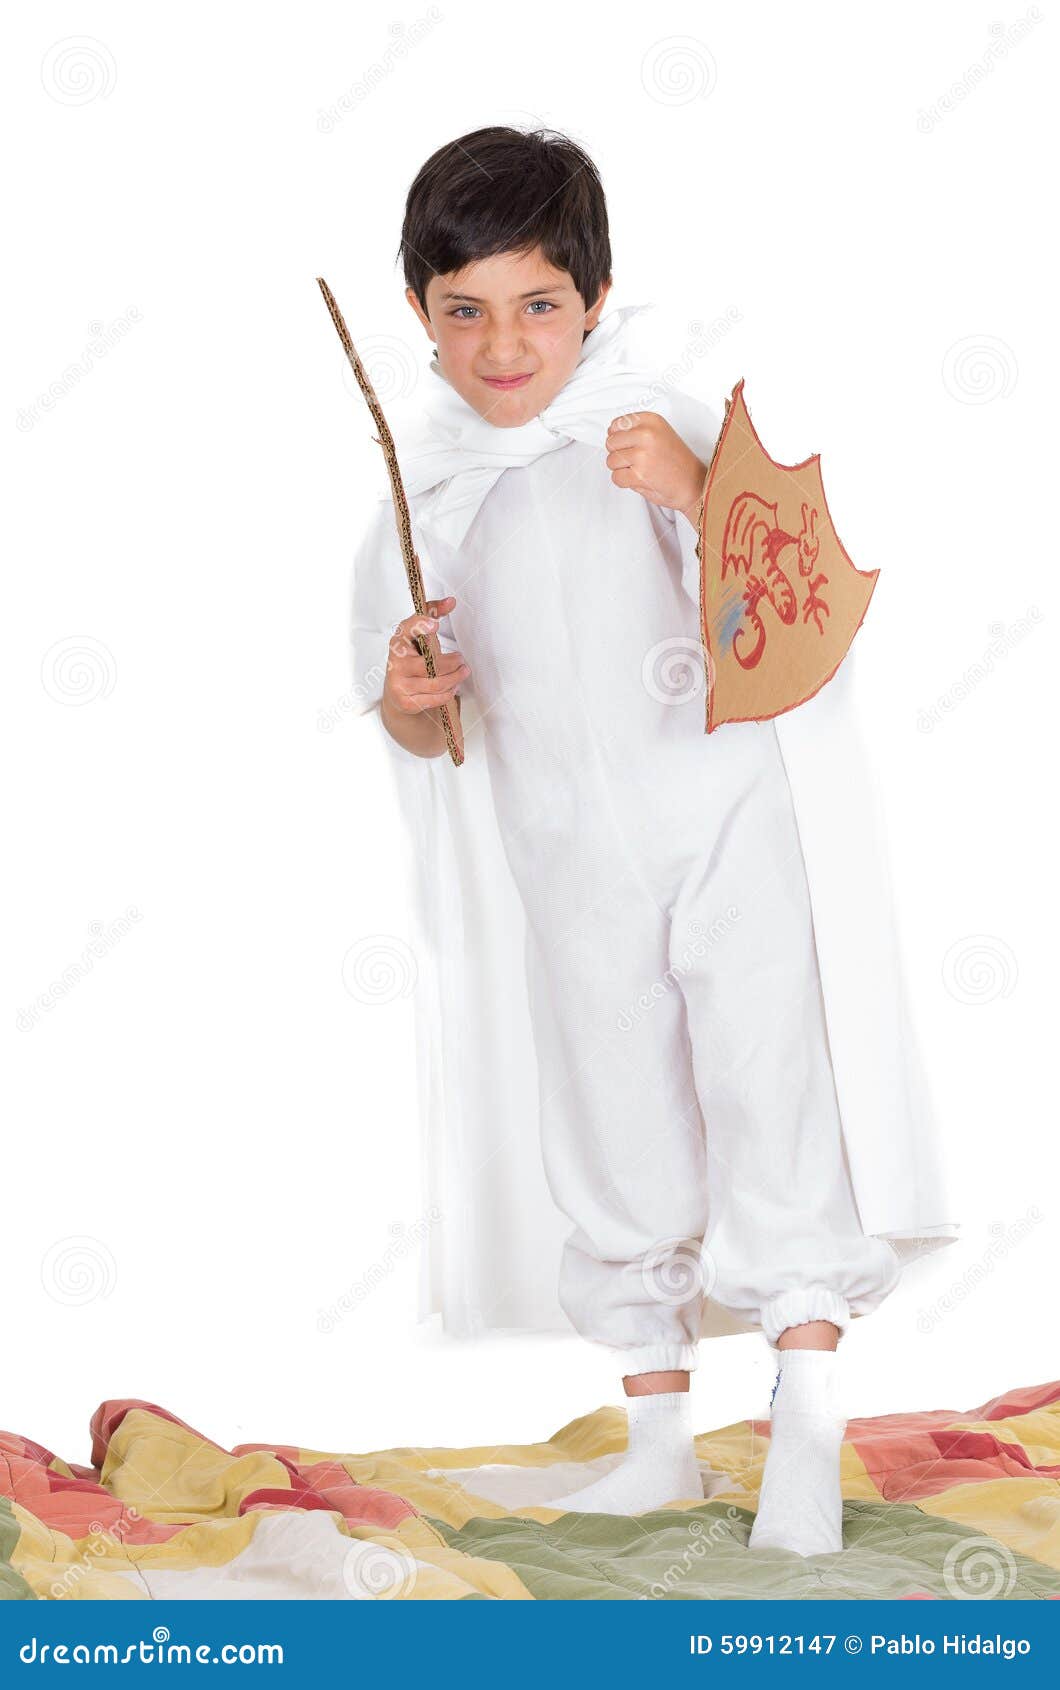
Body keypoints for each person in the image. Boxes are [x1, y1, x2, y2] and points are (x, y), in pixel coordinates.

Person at [347, 126, 959, 1554]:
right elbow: (436, 737)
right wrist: (406, 695)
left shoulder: (664, 431)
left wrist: (695, 492)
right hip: (568, 870)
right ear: (422, 317)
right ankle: (660, 1435)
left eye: (539, 303)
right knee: (614, 1121)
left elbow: (788, 618)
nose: (506, 343)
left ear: (599, 296)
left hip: (728, 823)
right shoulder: (425, 508)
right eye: (466, 310)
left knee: (769, 1084)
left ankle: (805, 1417)